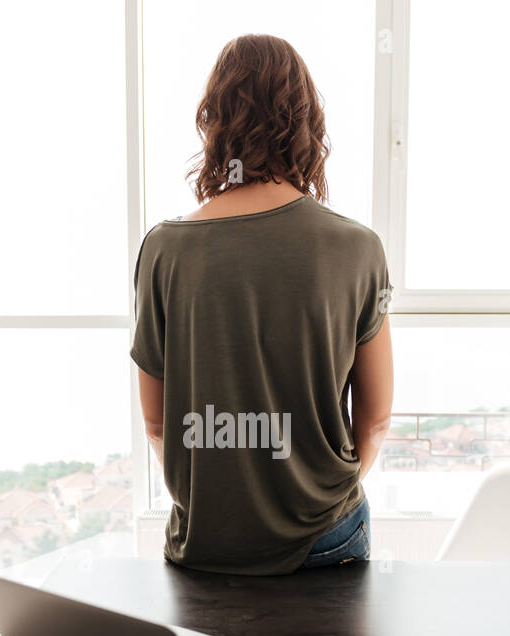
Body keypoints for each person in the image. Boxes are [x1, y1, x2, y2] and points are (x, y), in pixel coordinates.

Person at [131, 34, 393, 575]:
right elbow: (376, 421)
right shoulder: (357, 247)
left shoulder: (163, 249)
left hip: (205, 542)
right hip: (325, 534)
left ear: (214, 121)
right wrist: (318, 501)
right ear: (306, 122)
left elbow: (157, 425)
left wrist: (226, 505)